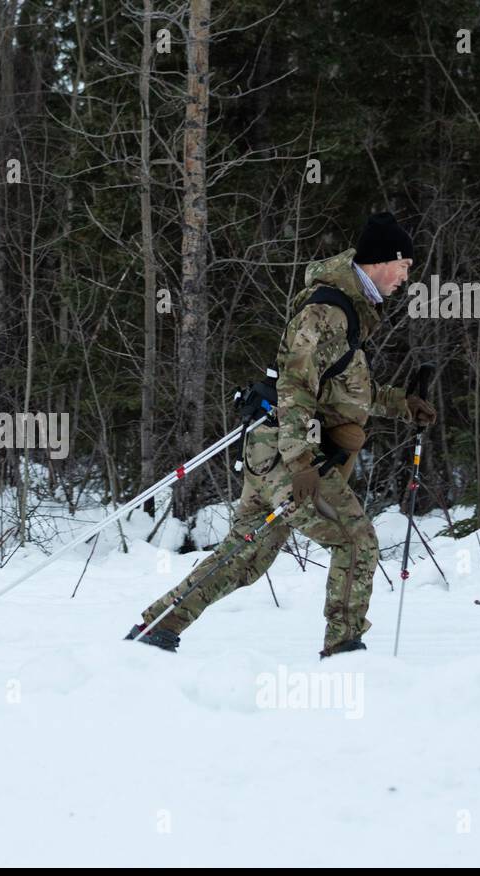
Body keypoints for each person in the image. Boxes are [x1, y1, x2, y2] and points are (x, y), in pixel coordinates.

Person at [125, 211, 437, 658]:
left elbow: (341, 390)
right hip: (288, 457)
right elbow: (295, 386)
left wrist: (403, 405)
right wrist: (302, 461)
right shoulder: (327, 311)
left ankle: (156, 627)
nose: (406, 277)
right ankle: (344, 649)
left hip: (271, 451)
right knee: (355, 540)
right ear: (380, 261)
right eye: (404, 266)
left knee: (247, 556)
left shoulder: (351, 312)